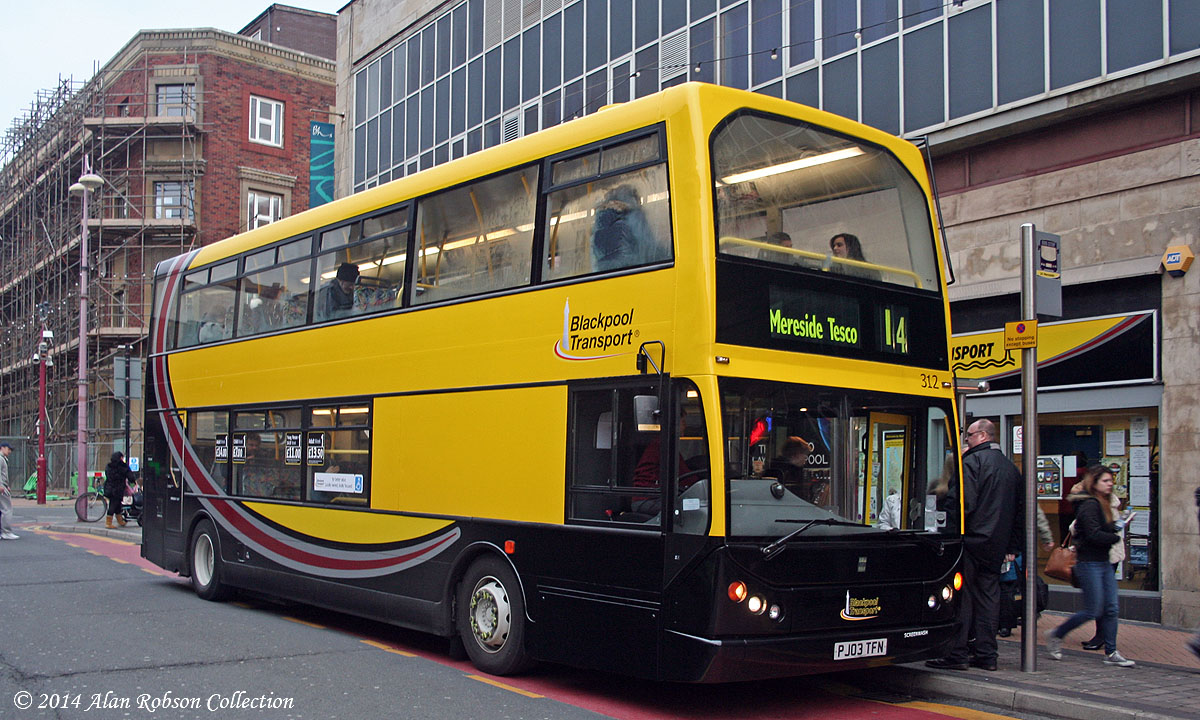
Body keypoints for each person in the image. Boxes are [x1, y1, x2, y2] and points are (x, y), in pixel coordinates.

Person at [926, 418, 1022, 672]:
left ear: (982, 435)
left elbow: (962, 505)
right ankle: (987, 654)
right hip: (996, 545)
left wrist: (948, 531)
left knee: (962, 598)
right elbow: (1019, 512)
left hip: (970, 540)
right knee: (989, 598)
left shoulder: (971, 463)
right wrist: (1012, 546)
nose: (965, 440)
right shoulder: (1010, 468)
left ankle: (957, 652)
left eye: (968, 435)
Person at [1045, 465, 1135, 667]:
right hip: (1089, 562)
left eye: (1111, 480)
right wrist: (1113, 535)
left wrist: (1118, 525)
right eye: (1105, 481)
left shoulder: (1103, 503)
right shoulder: (1088, 505)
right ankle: (1056, 634)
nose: (1110, 484)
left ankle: (1111, 652)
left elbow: (1100, 529)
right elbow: (1092, 533)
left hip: (1103, 561)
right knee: (1093, 609)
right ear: (1094, 482)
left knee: (1111, 608)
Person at [591, 185, 662, 272]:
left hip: (603, 277)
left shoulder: (599, 223)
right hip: (632, 271)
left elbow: (594, 256)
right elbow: (648, 247)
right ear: (632, 199)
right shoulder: (633, 215)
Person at [763, 437, 825, 504]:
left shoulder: (774, 467)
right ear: (796, 454)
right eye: (804, 454)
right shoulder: (779, 471)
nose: (806, 458)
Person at [103, 451, 133, 529]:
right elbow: (130, 476)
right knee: (113, 504)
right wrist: (133, 481)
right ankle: (108, 523)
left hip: (109, 487)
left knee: (117, 504)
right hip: (118, 488)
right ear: (120, 458)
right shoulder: (123, 466)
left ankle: (120, 521)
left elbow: (107, 474)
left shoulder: (109, 466)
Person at [0, 442, 18, 540]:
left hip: (3, 486)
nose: (10, 451)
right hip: (1, 488)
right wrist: (1, 485)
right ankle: (6, 532)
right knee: (7, 509)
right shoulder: (0, 459)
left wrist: (6, 485)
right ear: (2, 448)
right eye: (8, 449)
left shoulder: (3, 459)